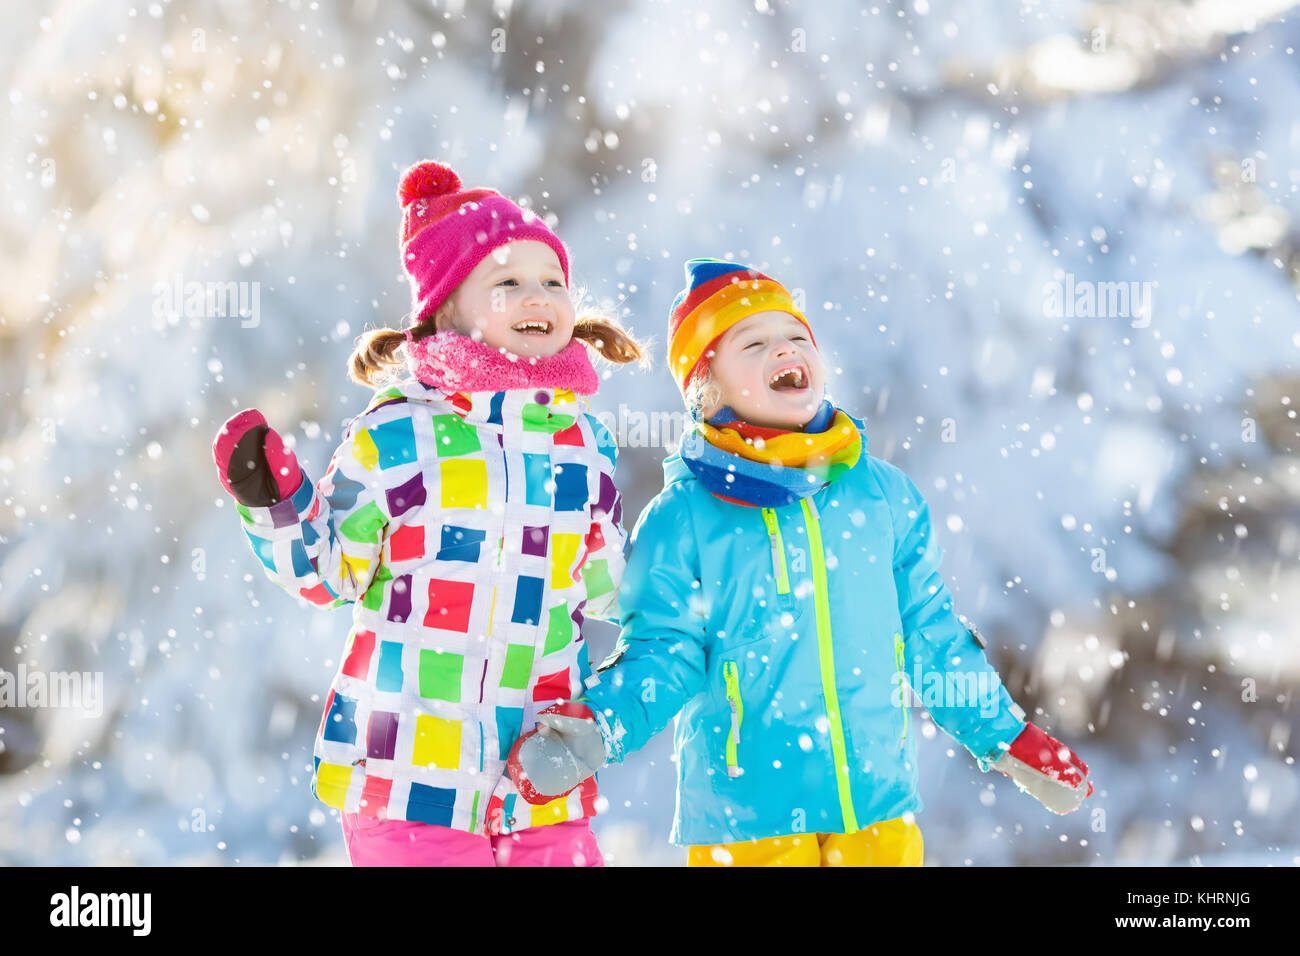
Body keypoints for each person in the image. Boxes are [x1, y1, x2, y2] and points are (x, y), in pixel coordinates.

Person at [508, 258, 1092, 867]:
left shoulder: (881, 495)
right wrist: (597, 729)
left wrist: (1007, 736)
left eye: (795, 336)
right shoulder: (685, 516)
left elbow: (931, 635)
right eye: (752, 343)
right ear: (707, 385)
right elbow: (663, 650)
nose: (783, 350)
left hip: (875, 810)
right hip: (748, 821)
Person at [211, 161, 644, 866]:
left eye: (553, 281)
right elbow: (329, 574)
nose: (538, 295)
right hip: (409, 775)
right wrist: (276, 503)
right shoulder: (396, 439)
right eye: (508, 281)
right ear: (447, 311)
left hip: (543, 778)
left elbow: (610, 588)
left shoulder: (582, 442)